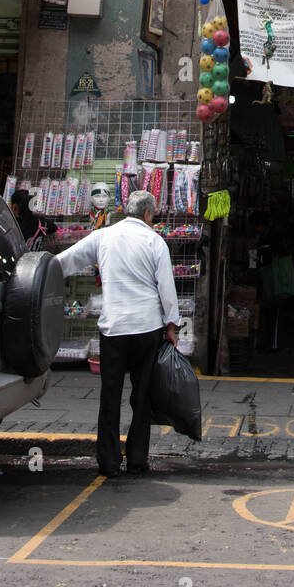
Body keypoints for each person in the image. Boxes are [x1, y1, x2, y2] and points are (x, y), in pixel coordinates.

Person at [58, 189, 180, 478]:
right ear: (148, 214)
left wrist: (33, 271)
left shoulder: (104, 236)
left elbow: (67, 260)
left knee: (110, 396)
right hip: (147, 328)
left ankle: (109, 462)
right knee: (143, 397)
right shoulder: (154, 241)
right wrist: (172, 326)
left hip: (114, 330)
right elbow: (166, 287)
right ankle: (137, 459)